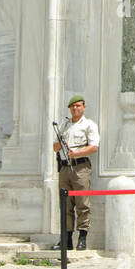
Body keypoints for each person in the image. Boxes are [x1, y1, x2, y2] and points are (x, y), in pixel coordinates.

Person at [52, 95, 100, 251]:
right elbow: (55, 147)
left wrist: (77, 153)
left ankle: (82, 237)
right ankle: (66, 239)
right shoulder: (64, 125)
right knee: (65, 205)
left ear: (84, 107)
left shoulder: (89, 125)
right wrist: (59, 144)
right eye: (72, 106)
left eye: (78, 106)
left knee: (82, 203)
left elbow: (93, 147)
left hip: (80, 167)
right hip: (65, 167)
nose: (75, 109)